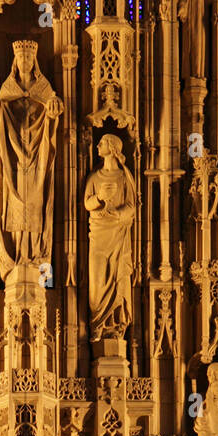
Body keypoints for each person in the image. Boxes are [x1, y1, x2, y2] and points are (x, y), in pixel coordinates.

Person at [0, 41, 63, 280]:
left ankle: (36, 259)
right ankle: (19, 257)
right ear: (15, 63)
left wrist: (53, 111)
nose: (25, 62)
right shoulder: (7, 87)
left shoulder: (43, 86)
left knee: (35, 205)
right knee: (16, 206)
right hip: (14, 158)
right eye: (21, 58)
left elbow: (53, 108)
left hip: (37, 155)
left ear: (34, 61)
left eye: (29, 58)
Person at [84, 134, 136, 342]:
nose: (98, 145)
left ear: (113, 147)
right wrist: (99, 198)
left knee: (119, 279)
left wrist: (118, 214)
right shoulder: (95, 177)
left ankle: (115, 324)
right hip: (98, 232)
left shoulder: (124, 178)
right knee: (97, 281)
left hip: (118, 232)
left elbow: (132, 207)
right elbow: (87, 203)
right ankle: (98, 321)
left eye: (102, 142)